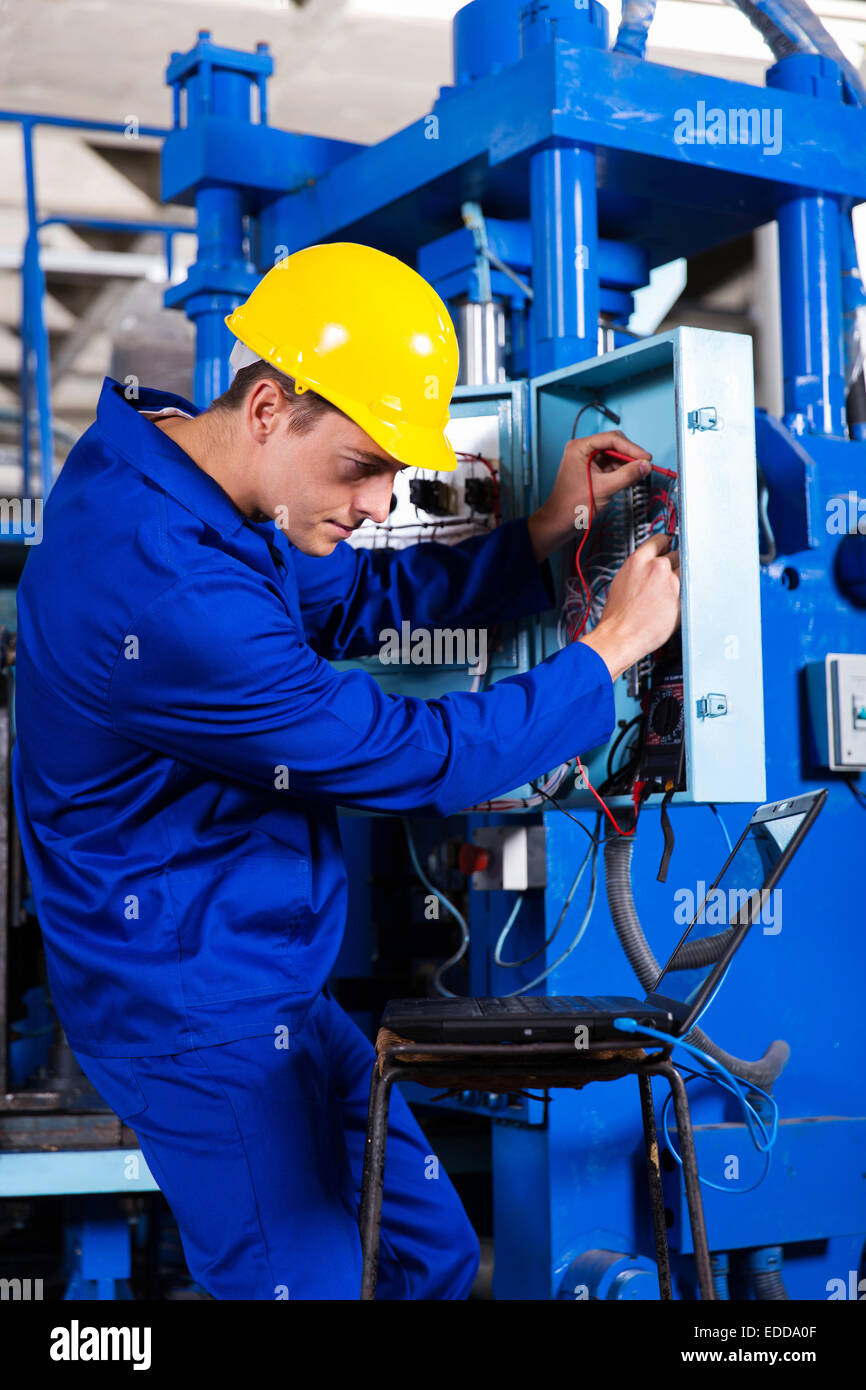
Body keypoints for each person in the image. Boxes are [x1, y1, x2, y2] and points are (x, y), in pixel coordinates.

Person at [12, 242, 680, 1299]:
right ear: (272, 407)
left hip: (264, 976)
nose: (376, 503)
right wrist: (606, 657)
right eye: (362, 466)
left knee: (431, 1253)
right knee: (309, 1285)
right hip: (191, 1006)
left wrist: (540, 537)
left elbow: (361, 602)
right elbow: (413, 756)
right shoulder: (166, 590)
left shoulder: (202, 483)